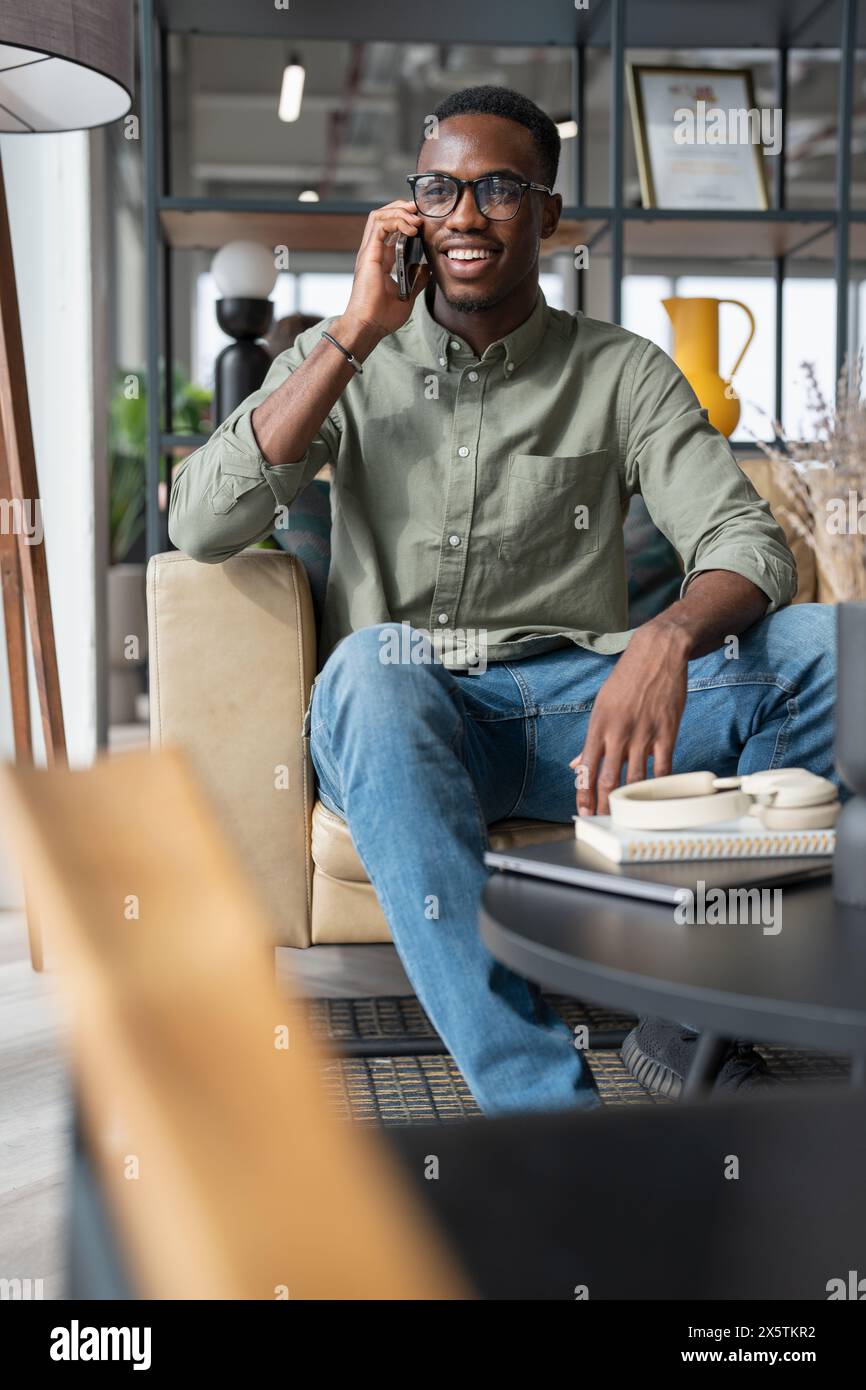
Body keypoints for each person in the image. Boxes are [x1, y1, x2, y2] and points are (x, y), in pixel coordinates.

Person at [169, 86, 836, 1114]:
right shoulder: (354, 356)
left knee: (831, 649)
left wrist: (664, 638)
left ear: (547, 214)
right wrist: (352, 328)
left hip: (585, 711)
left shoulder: (620, 372)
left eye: (496, 188)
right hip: (408, 710)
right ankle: (544, 1111)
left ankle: (689, 1012)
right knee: (369, 673)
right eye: (439, 188)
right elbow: (201, 524)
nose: (465, 213)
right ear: (411, 212)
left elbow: (745, 542)